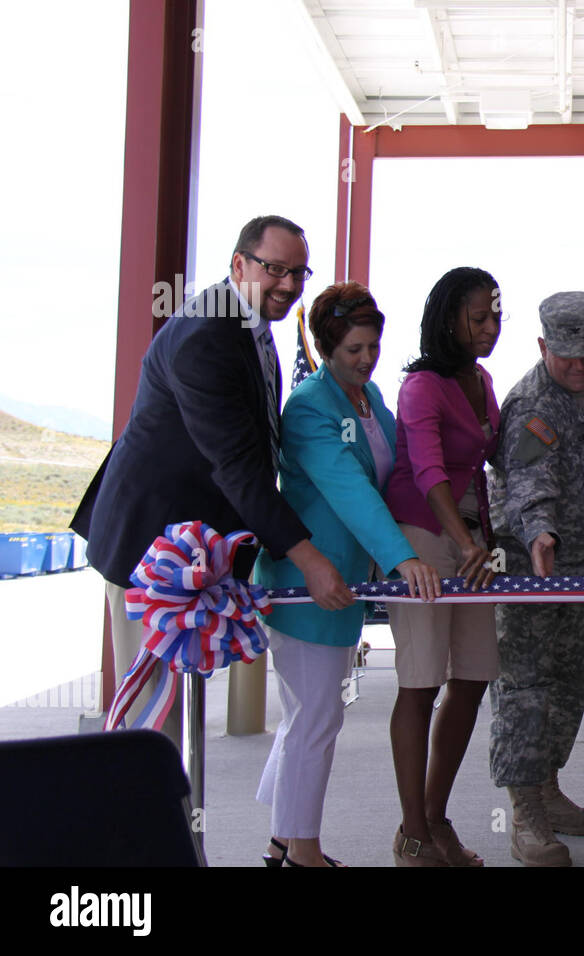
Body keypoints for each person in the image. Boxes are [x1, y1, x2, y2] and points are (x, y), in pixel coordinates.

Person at [71, 215, 353, 749]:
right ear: (239, 265)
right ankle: (142, 830)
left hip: (201, 549)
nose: (289, 285)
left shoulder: (245, 323)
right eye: (275, 269)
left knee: (176, 720)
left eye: (299, 272)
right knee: (149, 721)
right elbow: (239, 468)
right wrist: (310, 560)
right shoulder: (206, 336)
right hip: (151, 550)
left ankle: (169, 824)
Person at [252, 282, 442, 868]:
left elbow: (397, 464)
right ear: (327, 348)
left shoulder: (369, 395)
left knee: (308, 714)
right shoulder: (312, 405)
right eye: (354, 349)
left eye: (373, 346)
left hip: (341, 587)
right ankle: (303, 850)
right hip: (307, 585)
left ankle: (283, 837)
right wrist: (401, 556)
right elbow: (349, 488)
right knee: (317, 718)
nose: (366, 359)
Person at [486, 291, 584, 867]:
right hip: (530, 563)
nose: (578, 365)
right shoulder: (530, 403)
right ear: (543, 346)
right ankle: (525, 815)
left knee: (570, 676)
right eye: (566, 355)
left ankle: (548, 786)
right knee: (524, 686)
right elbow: (526, 479)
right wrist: (540, 531)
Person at [385, 266, 502, 866]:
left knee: (476, 673)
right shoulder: (420, 386)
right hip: (426, 538)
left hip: (471, 542)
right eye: (477, 318)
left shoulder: (481, 381)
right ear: (448, 319)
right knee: (421, 679)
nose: (490, 328)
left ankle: (435, 817)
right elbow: (429, 472)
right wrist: (461, 542)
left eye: (495, 316)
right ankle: (410, 834)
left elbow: (493, 461)